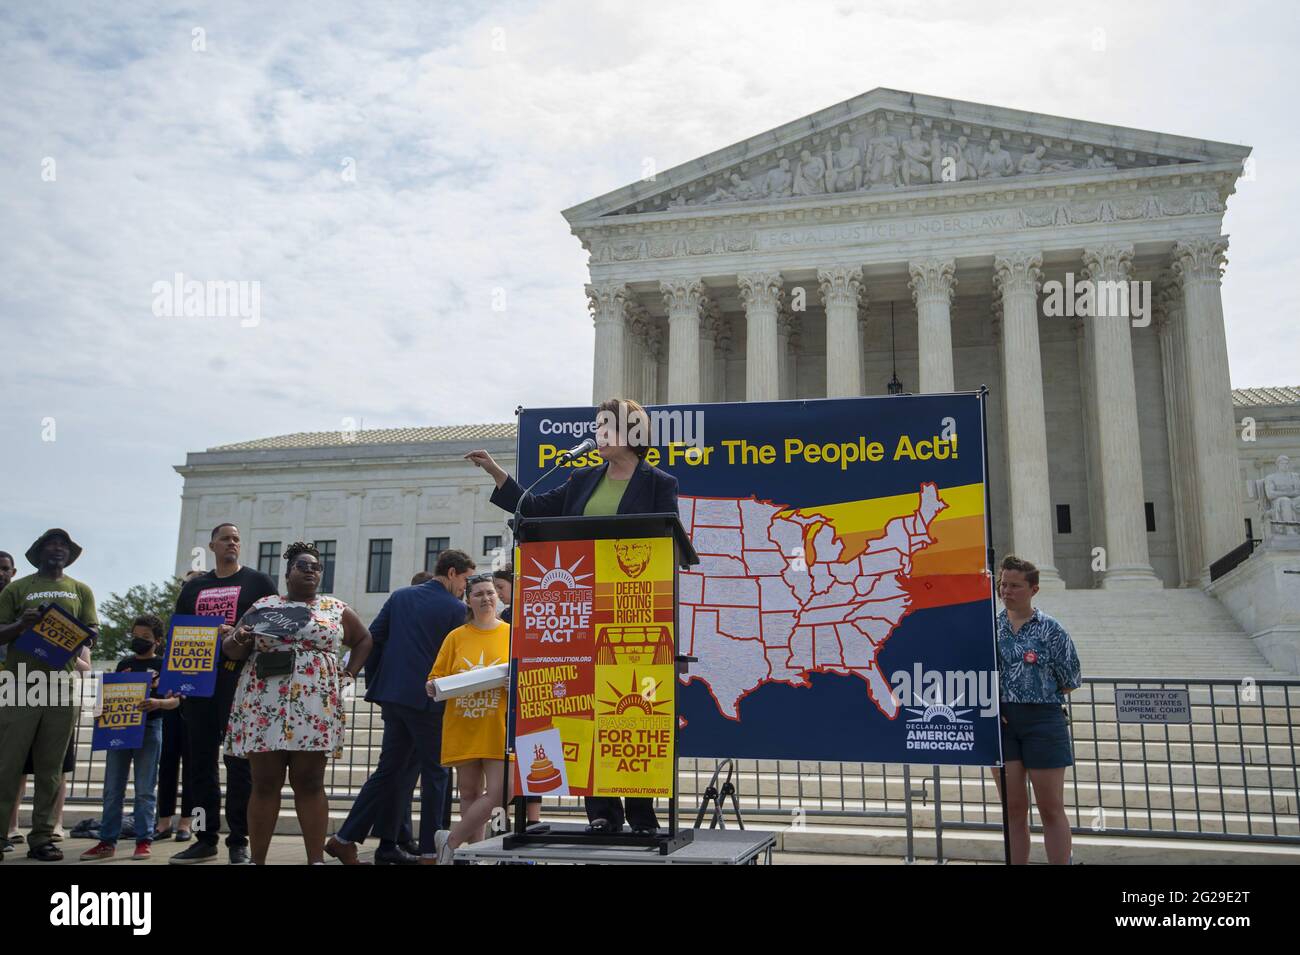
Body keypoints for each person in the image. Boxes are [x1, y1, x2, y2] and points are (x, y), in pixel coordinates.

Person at [466, 396, 679, 836]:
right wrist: (497, 473)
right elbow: (536, 508)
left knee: (632, 714)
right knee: (585, 709)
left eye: (606, 426)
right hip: (579, 612)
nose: (598, 434)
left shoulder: (659, 482)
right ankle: (601, 812)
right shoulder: (582, 479)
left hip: (633, 609)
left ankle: (642, 816)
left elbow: (667, 538)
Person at [222, 542, 372, 865]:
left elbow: (364, 639)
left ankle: (315, 860)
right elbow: (231, 648)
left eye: (316, 567)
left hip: (315, 705)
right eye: (302, 566)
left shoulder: (334, 607)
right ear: (287, 572)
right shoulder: (264, 605)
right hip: (265, 702)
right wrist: (241, 637)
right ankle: (257, 860)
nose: (310, 571)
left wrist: (347, 675)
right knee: (264, 782)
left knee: (310, 781)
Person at [325, 549, 475, 865]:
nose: (465, 587)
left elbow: (372, 638)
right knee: (437, 773)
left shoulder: (400, 596)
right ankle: (432, 851)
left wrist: (380, 684)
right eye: (465, 580)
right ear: (451, 573)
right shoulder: (454, 608)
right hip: (428, 701)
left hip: (394, 697)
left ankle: (344, 838)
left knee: (388, 771)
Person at [169, 522, 277, 865]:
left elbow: (274, 628)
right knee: (200, 764)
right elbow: (178, 631)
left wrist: (239, 633)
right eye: (225, 539)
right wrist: (175, 677)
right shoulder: (194, 587)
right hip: (198, 683)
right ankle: (204, 837)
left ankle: (239, 839)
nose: (232, 543)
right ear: (212, 545)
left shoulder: (258, 582)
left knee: (239, 763)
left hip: (239, 682)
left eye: (236, 539)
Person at [0, 529, 99, 862]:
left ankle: (42, 837)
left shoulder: (80, 589)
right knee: (7, 764)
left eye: (64, 545)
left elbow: (93, 632)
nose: (58, 549)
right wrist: (20, 626)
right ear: (38, 551)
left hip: (62, 687)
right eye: (51, 544)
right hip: (20, 685)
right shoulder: (17, 588)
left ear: (69, 554)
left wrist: (77, 629)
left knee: (51, 767)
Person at [991, 554, 1082, 865]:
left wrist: (1033, 693)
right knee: (1013, 808)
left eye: (1015, 586)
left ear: (1034, 590)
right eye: (1003, 584)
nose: (1006, 591)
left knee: (1050, 808)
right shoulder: (989, 629)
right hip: (1001, 724)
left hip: (1043, 721)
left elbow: (1070, 679)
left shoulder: (1051, 630)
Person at [426, 574, 511, 863]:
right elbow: (435, 678)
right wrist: (435, 685)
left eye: (490, 593)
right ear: (469, 600)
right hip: (463, 722)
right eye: (478, 594)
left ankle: (450, 841)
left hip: (497, 724)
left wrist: (517, 684)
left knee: (501, 791)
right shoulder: (456, 637)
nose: (486, 598)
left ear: (497, 598)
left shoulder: (513, 634)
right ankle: (476, 855)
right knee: (469, 792)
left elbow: (527, 675)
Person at [80, 614, 177, 861]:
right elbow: (110, 693)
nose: (139, 640)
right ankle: (106, 841)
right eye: (135, 636)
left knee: (145, 789)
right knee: (113, 789)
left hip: (150, 730)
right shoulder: (124, 663)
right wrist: (100, 707)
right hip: (118, 730)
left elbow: (176, 700)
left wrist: (158, 703)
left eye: (145, 637)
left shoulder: (164, 665)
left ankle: (144, 840)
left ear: (157, 640)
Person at [154, 571, 203, 843]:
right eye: (186, 585)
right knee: (168, 762)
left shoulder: (215, 625)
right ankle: (163, 822)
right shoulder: (176, 624)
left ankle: (187, 822)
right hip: (173, 704)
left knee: (195, 766)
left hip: (201, 705)